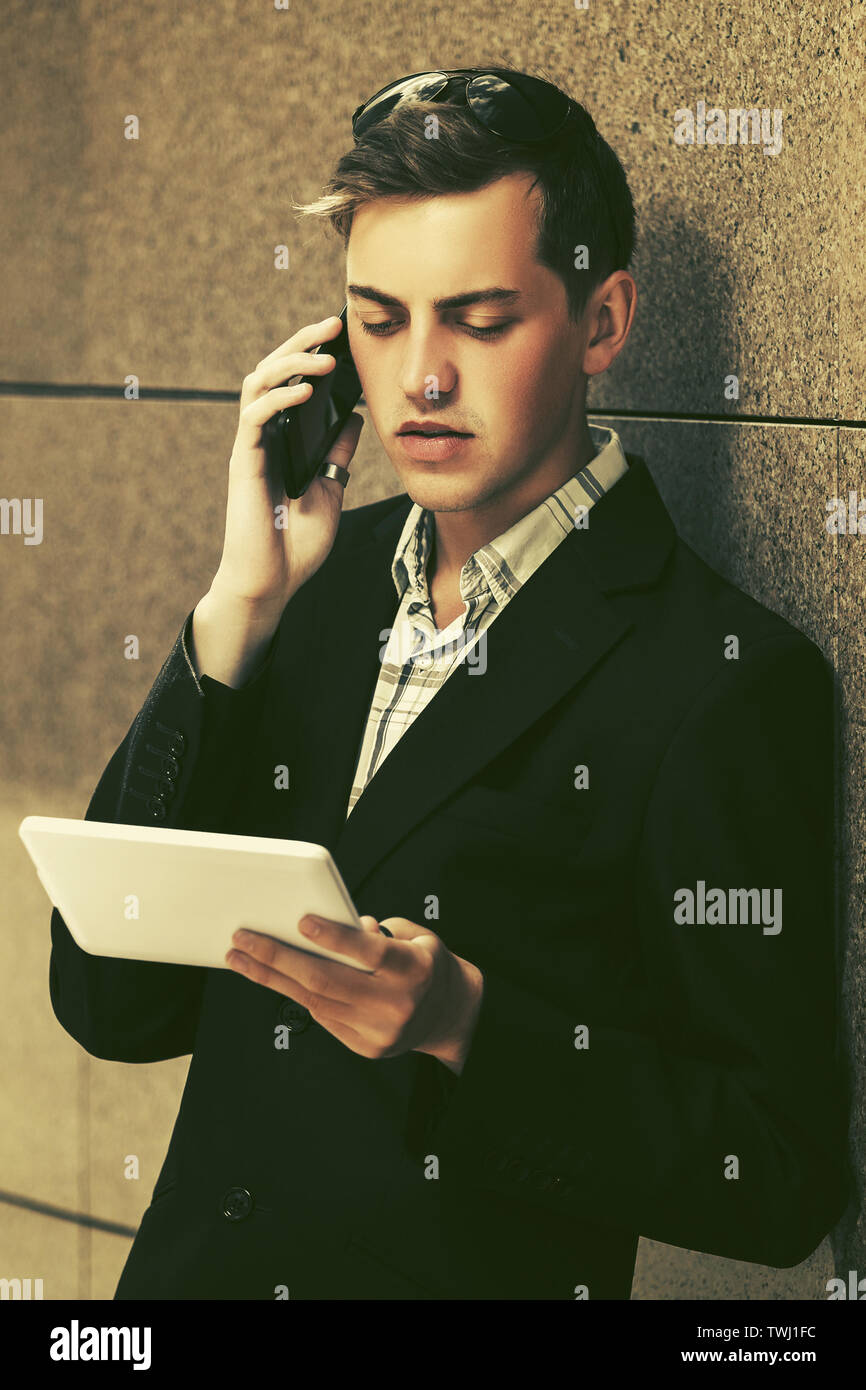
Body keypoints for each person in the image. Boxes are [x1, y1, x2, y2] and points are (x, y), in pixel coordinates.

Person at [49, 66, 851, 1300]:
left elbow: (776, 1175)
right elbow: (108, 1002)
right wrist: (232, 618)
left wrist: (466, 1027)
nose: (420, 378)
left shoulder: (721, 681)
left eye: (478, 322)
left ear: (600, 321)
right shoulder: (303, 593)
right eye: (378, 321)